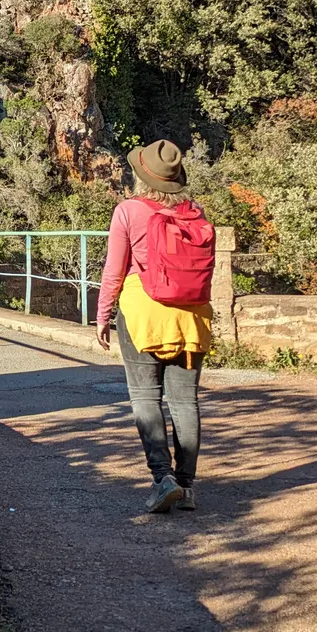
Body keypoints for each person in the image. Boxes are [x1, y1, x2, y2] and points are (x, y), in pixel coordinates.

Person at [96, 139, 214, 514]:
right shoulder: (195, 213)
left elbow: (115, 270)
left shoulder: (128, 211)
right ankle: (188, 486)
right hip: (191, 316)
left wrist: (103, 315)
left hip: (143, 312)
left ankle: (162, 479)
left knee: (146, 397)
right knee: (185, 401)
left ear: (139, 174)